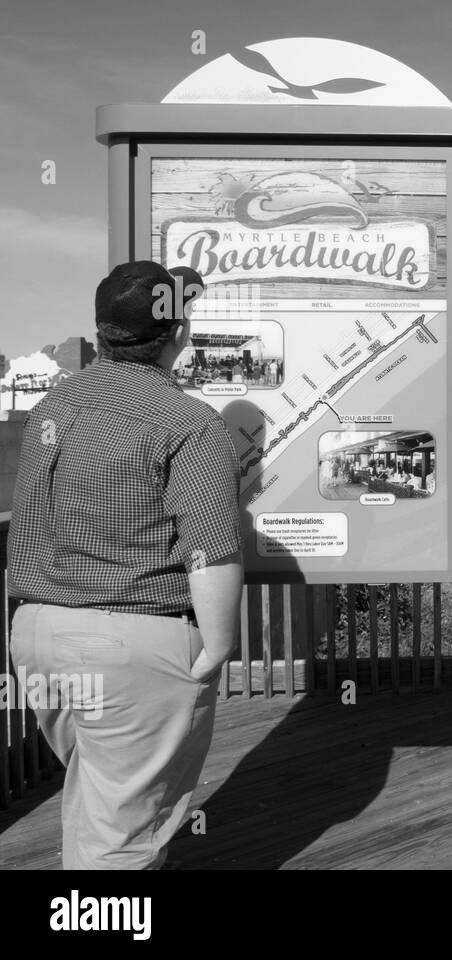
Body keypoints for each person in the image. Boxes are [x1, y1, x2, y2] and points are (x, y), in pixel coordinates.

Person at [8, 261, 244, 869]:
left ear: (102, 328)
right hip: (130, 642)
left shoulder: (52, 408)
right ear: (178, 332)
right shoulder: (189, 423)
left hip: (37, 634)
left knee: (100, 795)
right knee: (126, 833)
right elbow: (211, 549)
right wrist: (217, 646)